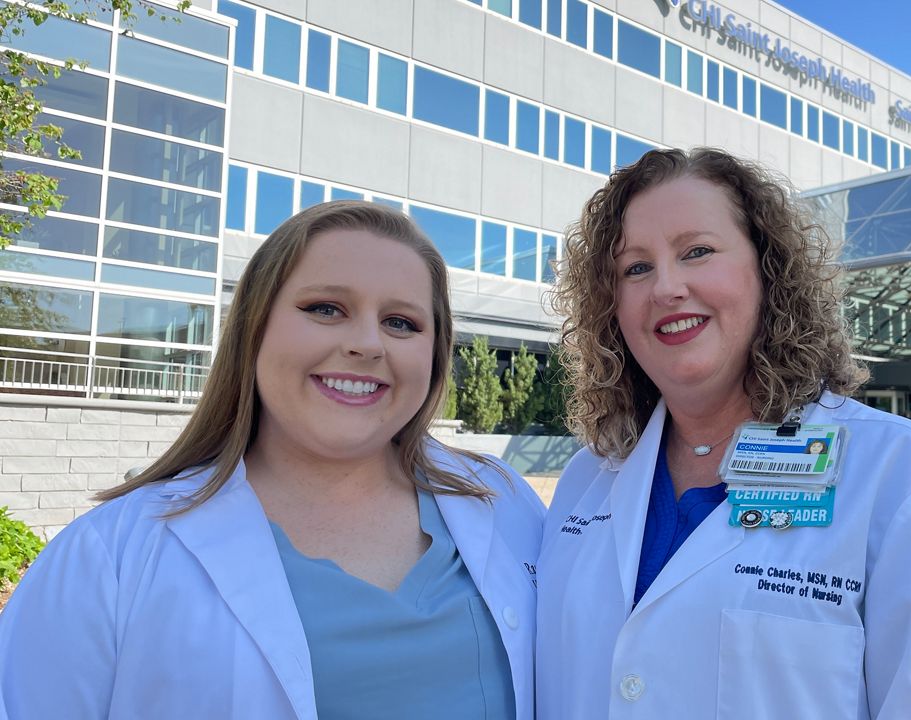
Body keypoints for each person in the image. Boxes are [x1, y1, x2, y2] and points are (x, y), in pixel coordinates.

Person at [0, 201, 544, 719]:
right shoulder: (109, 555)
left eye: (401, 322)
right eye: (325, 309)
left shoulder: (505, 505)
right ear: (254, 327)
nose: (366, 343)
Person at [536, 148, 911, 718]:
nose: (666, 287)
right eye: (635, 268)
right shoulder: (586, 480)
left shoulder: (899, 476)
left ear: (768, 270)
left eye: (697, 251)